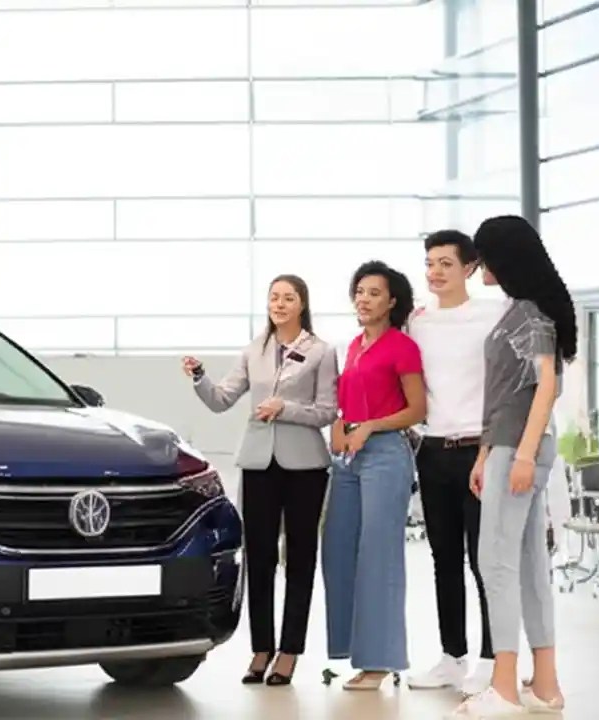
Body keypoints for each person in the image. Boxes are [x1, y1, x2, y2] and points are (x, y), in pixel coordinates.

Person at [183, 274, 339, 687]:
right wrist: (200, 377)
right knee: (260, 559)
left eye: (289, 298)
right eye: (274, 297)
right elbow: (221, 400)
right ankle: (261, 649)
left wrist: (285, 408)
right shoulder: (255, 350)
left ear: (302, 304)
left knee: (301, 559)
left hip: (305, 466)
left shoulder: (321, 351)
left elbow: (327, 411)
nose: (280, 304)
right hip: (258, 464)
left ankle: (289, 652)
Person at [449, 215, 573, 718]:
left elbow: (547, 386)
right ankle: (544, 685)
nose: (478, 265)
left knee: (494, 562)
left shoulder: (530, 315)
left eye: (483, 256)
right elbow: (503, 395)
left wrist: (519, 454)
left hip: (521, 449)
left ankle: (503, 687)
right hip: (508, 447)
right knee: (526, 566)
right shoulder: (522, 311)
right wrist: (485, 453)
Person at [405, 230, 503, 695]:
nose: (435, 272)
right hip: (433, 450)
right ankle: (451, 656)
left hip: (478, 450)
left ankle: (490, 659)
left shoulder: (492, 314)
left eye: (445, 263)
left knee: (483, 559)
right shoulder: (417, 322)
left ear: (469, 268)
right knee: (443, 558)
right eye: (429, 263)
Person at [322, 260, 426, 691]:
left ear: (392, 302)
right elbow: (345, 402)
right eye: (359, 292)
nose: (363, 299)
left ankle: (379, 662)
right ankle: (352, 649)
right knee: (338, 548)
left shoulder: (402, 346)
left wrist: (371, 426)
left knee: (379, 555)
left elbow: (418, 410)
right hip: (348, 455)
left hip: (386, 452)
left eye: (374, 293)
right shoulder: (352, 346)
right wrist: (339, 428)